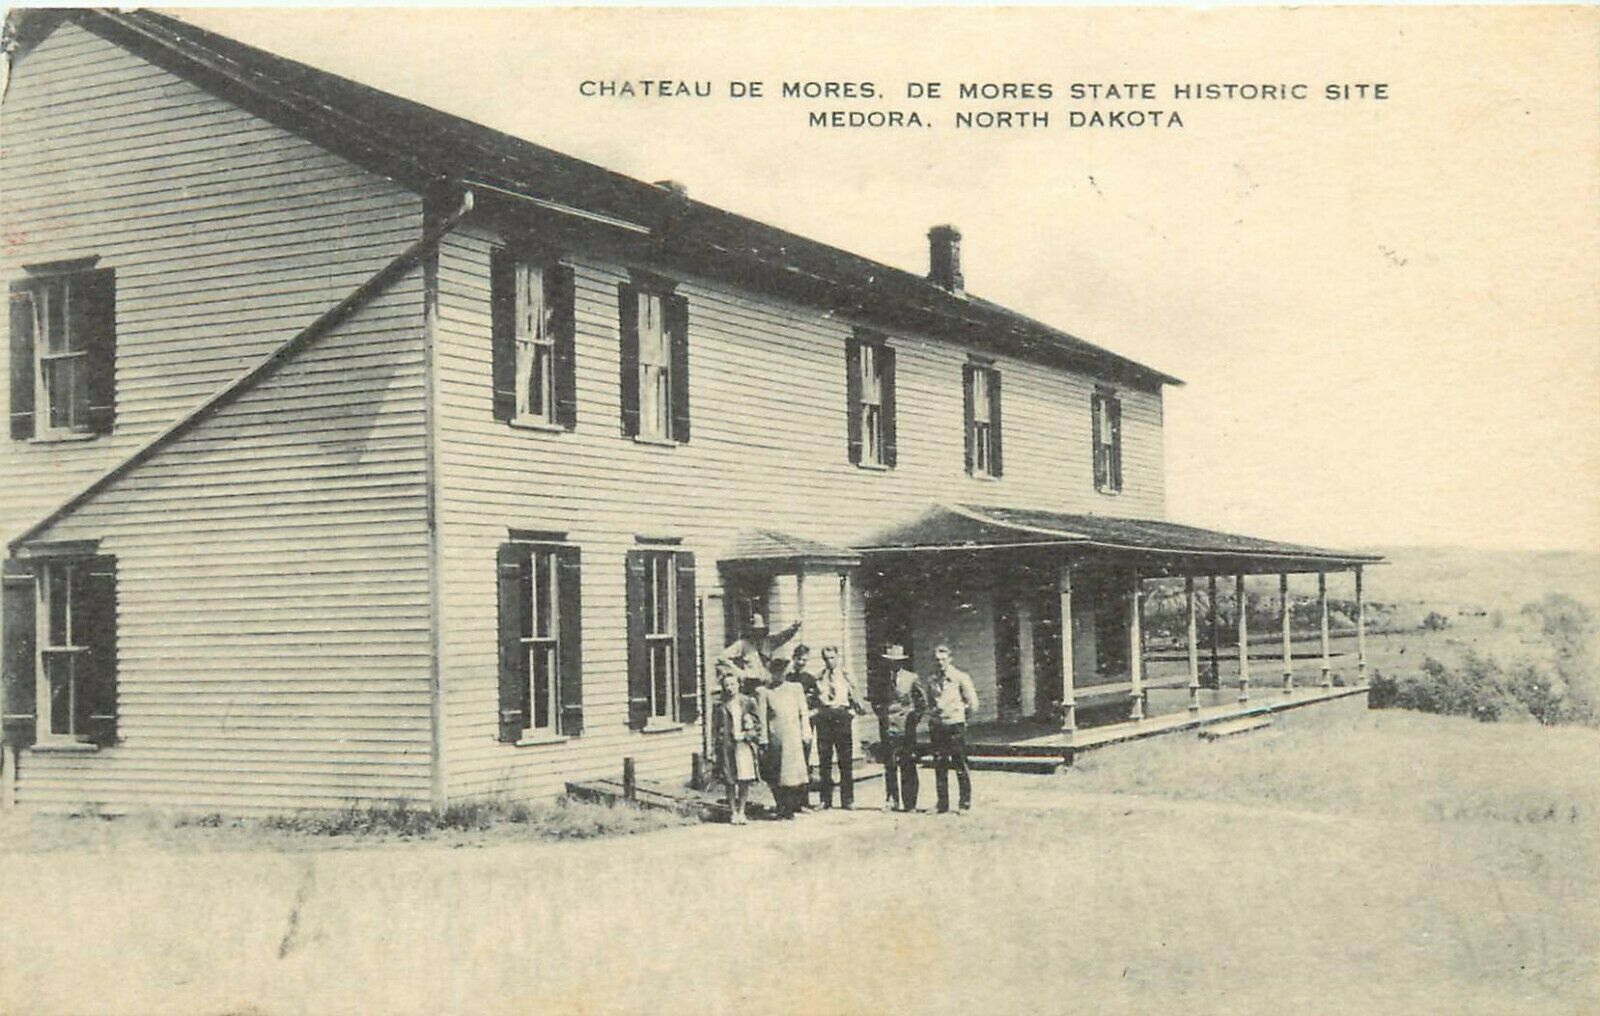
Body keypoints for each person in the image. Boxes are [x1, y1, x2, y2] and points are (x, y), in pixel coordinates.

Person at [810, 645, 867, 809]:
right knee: (825, 760)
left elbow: (858, 701)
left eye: (832, 658)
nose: (829, 661)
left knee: (845, 760)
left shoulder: (846, 676)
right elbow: (814, 699)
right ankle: (825, 800)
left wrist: (851, 711)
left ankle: (847, 799)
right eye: (826, 658)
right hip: (825, 718)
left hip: (842, 718)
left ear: (837, 657)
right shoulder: (819, 677)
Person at [758, 651, 813, 819]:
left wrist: (806, 732)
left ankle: (792, 806)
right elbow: (762, 717)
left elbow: (803, 712)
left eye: (782, 671)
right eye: (775, 672)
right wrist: (763, 738)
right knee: (777, 772)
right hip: (776, 736)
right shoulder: (765, 692)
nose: (779, 675)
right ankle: (782, 806)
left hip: (794, 736)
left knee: (793, 772)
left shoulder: (795, 689)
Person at [925, 644, 979, 813]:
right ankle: (942, 804)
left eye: (943, 659)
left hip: (955, 726)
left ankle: (964, 803)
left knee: (959, 763)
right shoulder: (932, 680)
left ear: (950, 659)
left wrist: (962, 718)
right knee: (940, 765)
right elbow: (930, 703)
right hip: (938, 726)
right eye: (937, 660)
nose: (940, 663)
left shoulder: (960, 677)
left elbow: (973, 704)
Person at [877, 644, 924, 812]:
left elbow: (921, 703)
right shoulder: (881, 679)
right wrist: (882, 716)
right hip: (887, 728)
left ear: (902, 662)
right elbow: (876, 701)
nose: (893, 664)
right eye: (890, 661)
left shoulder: (911, 678)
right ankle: (892, 800)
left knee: (907, 764)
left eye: (896, 661)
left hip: (905, 729)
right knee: (889, 765)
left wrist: (912, 720)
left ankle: (910, 802)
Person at [712, 671, 761, 825]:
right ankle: (733, 812)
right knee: (730, 779)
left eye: (732, 684)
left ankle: (742, 811)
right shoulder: (719, 705)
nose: (730, 688)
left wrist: (747, 735)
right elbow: (714, 728)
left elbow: (757, 724)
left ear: (739, 684)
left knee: (744, 779)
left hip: (743, 745)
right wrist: (714, 747)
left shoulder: (748, 702)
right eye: (726, 685)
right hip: (727, 746)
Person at [716, 612, 802, 693]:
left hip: (767, 683)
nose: (757, 633)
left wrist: (794, 627)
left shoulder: (768, 642)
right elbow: (722, 657)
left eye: (759, 630)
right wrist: (738, 671)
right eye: (754, 630)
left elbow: (783, 636)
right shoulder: (742, 644)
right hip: (751, 685)